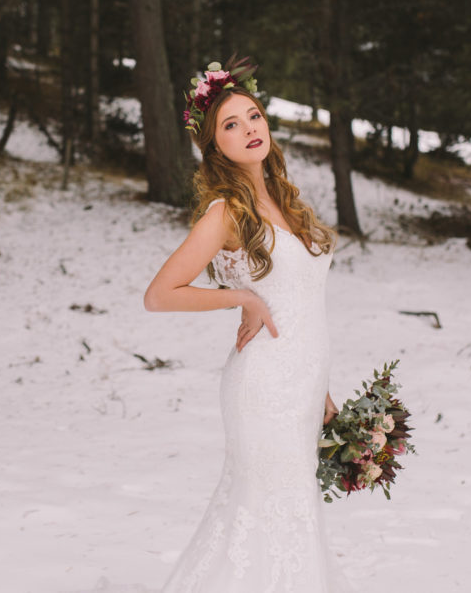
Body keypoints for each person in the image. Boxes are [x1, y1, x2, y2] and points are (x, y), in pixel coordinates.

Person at [144, 56, 356, 592]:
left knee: (289, 517)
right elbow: (159, 295)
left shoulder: (284, 201)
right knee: (266, 514)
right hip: (263, 387)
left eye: (253, 115)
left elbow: (302, 303)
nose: (248, 129)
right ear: (215, 146)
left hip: (303, 383)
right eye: (230, 125)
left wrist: (322, 389)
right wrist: (240, 296)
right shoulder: (226, 211)